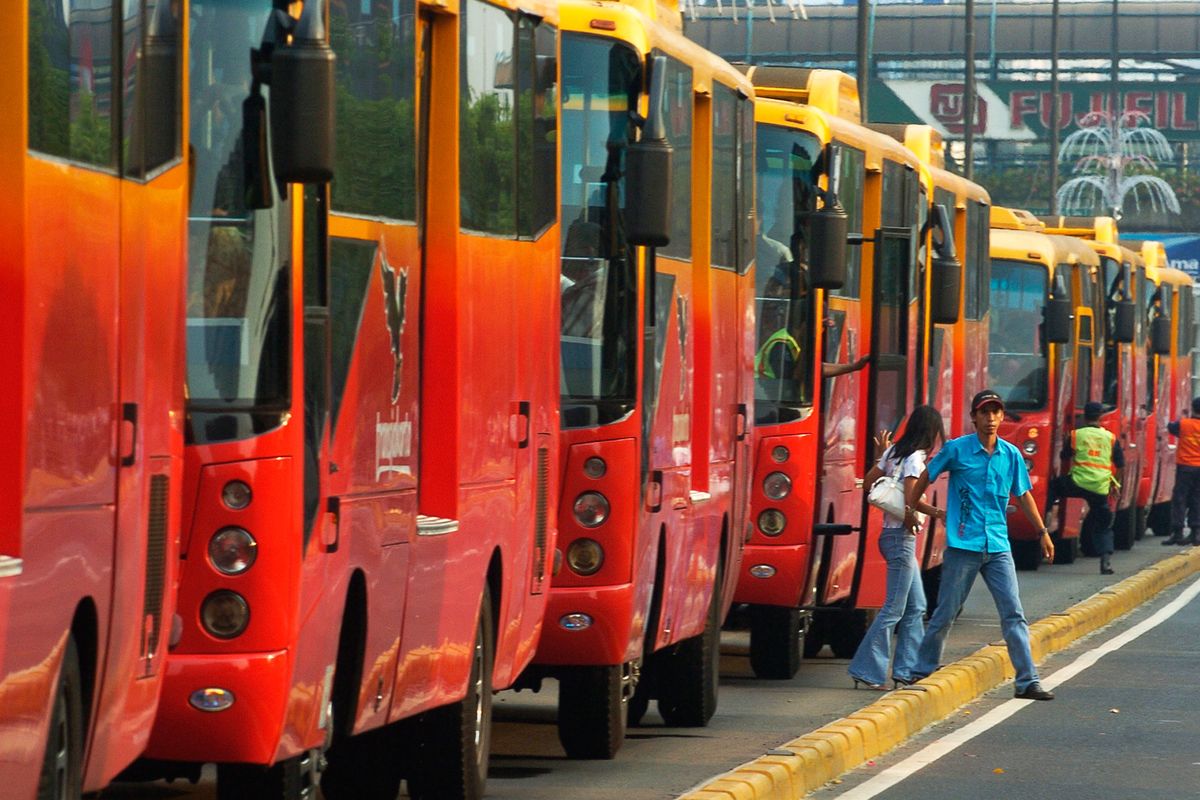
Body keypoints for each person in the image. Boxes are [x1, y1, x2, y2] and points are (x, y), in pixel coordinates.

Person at [908, 389, 1057, 701]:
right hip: (964, 546)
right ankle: (921, 670)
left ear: (1002, 416)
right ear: (974, 417)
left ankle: (1027, 681)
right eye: (984, 413)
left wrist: (1042, 531)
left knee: (1014, 614)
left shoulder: (1011, 455)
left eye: (996, 412)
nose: (991, 419)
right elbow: (925, 477)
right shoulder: (956, 450)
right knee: (945, 612)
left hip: (999, 546)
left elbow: (1024, 495)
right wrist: (916, 506)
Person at [848, 405, 947, 691]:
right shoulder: (915, 460)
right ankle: (867, 670)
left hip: (889, 535)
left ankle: (906, 670)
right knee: (893, 609)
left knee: (917, 606)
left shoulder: (893, 453)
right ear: (931, 432)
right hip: (901, 539)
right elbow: (912, 500)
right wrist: (937, 514)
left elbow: (868, 483)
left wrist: (882, 455)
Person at [1047, 401, 1123, 574]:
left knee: (1053, 487)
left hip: (1077, 483)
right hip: (1100, 488)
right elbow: (1120, 464)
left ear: (1084, 416)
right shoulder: (1110, 438)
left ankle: (1044, 520)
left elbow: (1064, 455)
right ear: (1101, 417)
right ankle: (1105, 562)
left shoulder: (1076, 435)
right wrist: (1114, 484)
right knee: (1103, 524)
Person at [1162, 396, 1200, 546]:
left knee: (1180, 498)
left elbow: (1171, 427)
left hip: (1185, 467)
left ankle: (1177, 532)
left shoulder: (1183, 424)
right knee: (1197, 499)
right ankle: (1196, 533)